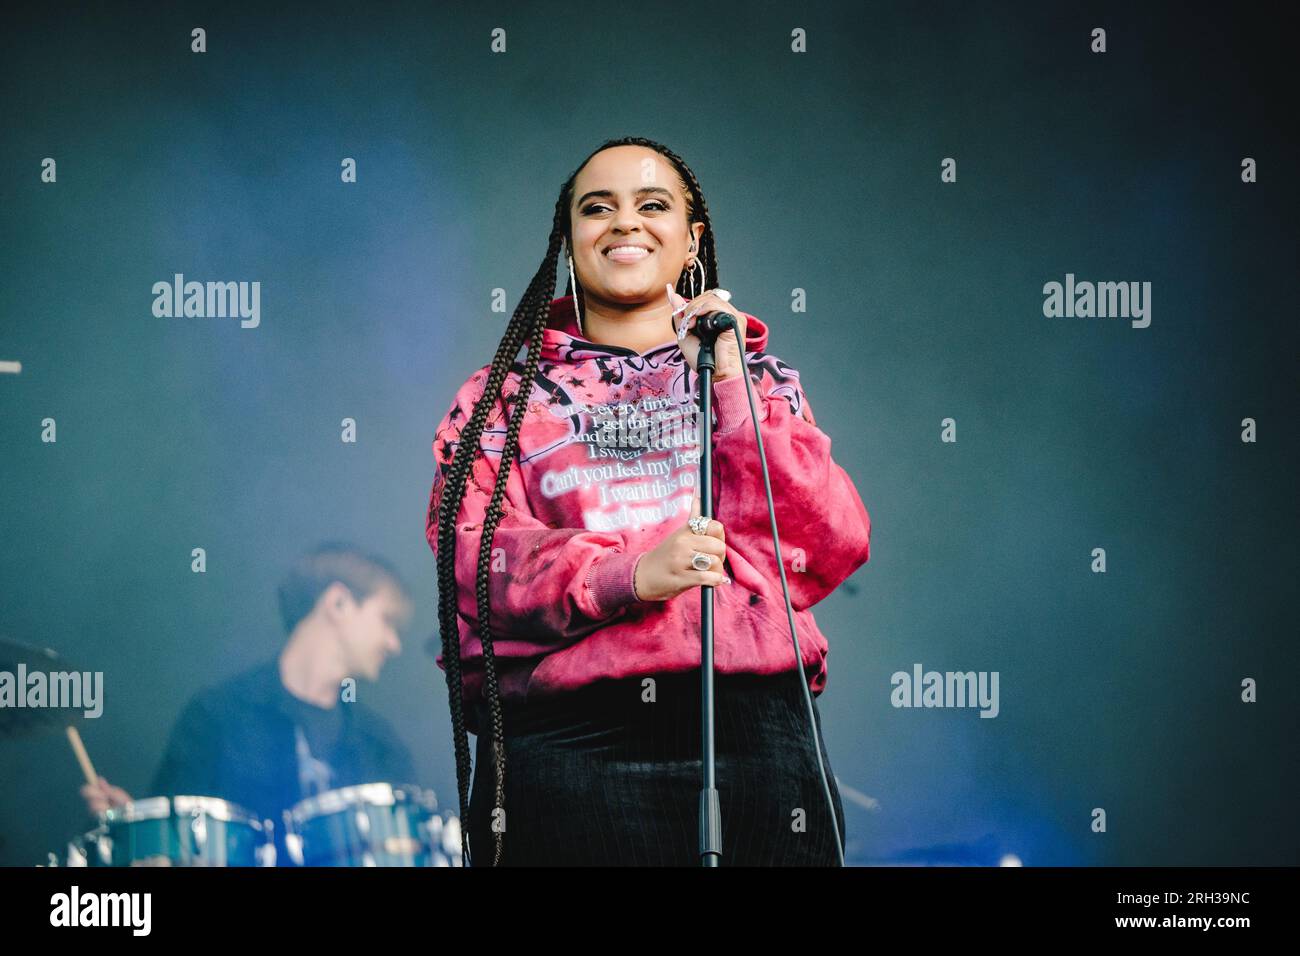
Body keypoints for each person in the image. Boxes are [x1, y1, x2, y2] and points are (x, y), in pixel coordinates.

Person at [425, 137, 872, 867]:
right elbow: (474, 564)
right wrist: (627, 574)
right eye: (597, 208)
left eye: (652, 205)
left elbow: (827, 543)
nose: (625, 223)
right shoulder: (500, 400)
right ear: (569, 239)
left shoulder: (754, 381)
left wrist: (728, 380)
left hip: (756, 738)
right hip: (570, 747)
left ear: (692, 240)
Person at [80, 543, 416, 865]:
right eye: (387, 621)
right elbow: (174, 842)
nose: (394, 644)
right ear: (338, 603)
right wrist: (142, 832)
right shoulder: (215, 717)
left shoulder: (380, 746)